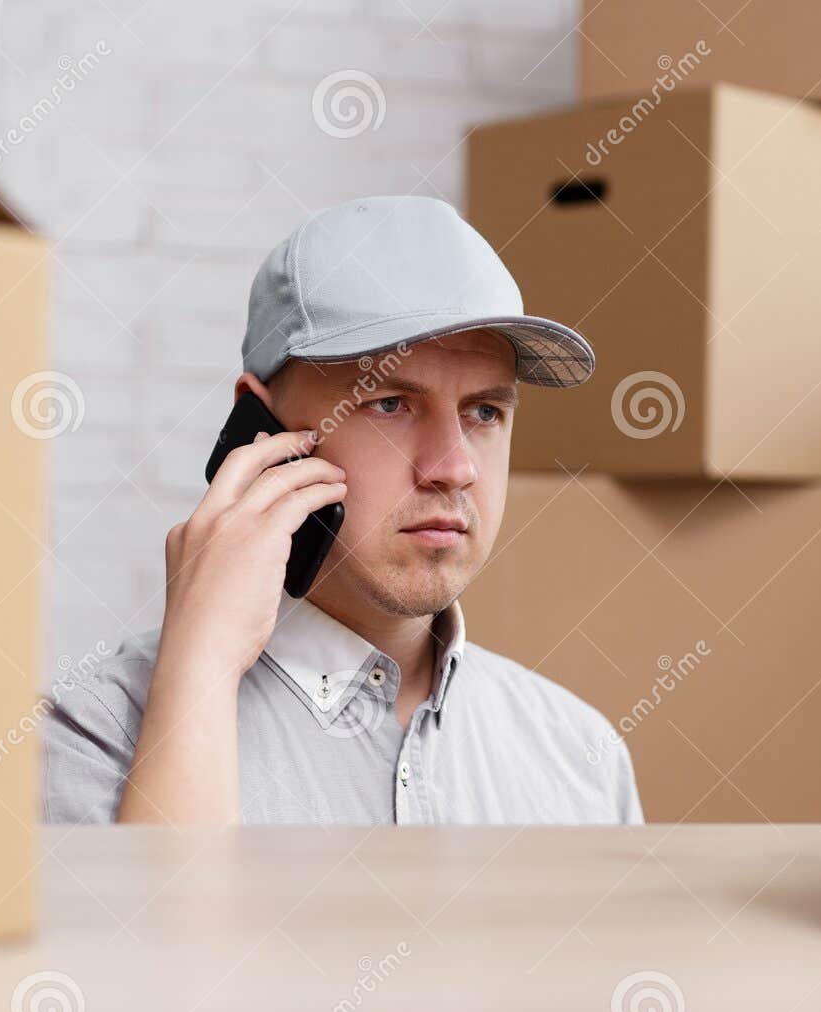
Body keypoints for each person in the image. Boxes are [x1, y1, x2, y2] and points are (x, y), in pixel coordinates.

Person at [43, 195, 643, 826]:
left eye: (485, 412)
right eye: (389, 403)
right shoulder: (97, 737)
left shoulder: (585, 759)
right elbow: (162, 926)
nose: (455, 468)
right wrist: (202, 668)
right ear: (262, 429)